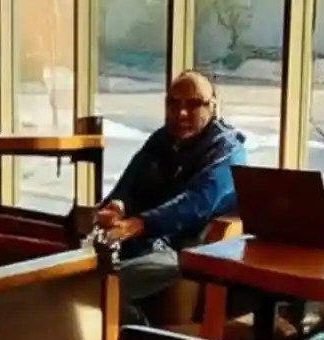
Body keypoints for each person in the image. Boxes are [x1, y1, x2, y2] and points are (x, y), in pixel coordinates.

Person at [96, 70, 247, 325]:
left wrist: (140, 223)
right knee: (75, 275)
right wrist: (117, 206)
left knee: (103, 285)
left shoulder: (227, 149)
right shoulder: (161, 139)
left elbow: (197, 203)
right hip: (142, 244)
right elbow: (129, 182)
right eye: (173, 103)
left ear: (213, 107)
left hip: (184, 251)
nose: (182, 113)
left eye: (193, 104)